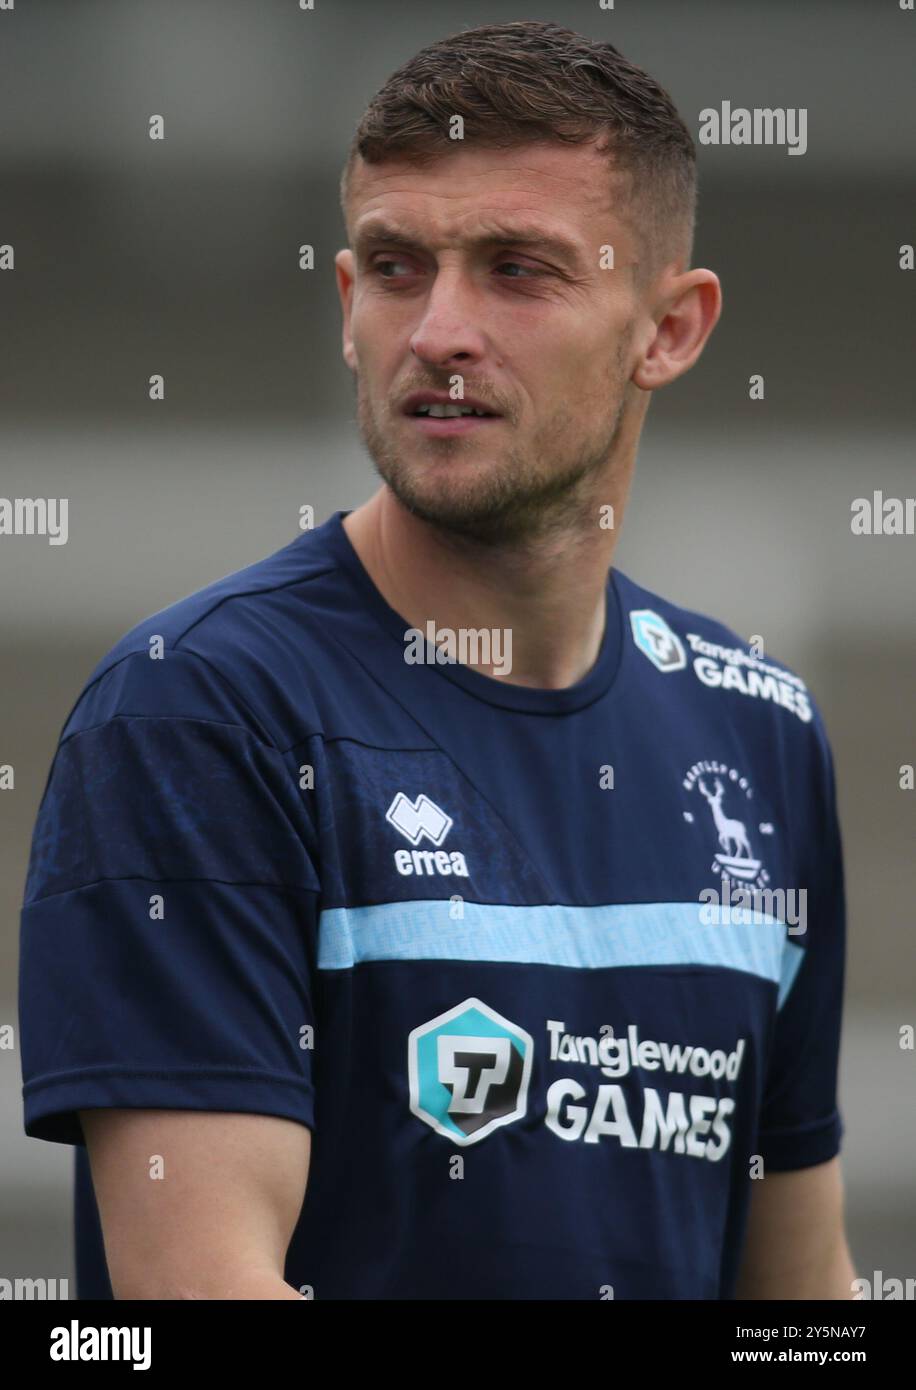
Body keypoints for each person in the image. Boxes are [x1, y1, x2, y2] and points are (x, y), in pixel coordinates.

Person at [19, 20, 855, 1299]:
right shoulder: (201, 715)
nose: (441, 330)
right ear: (349, 306)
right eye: (401, 269)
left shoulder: (760, 733)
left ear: (669, 329)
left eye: (519, 270)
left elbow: (795, 1299)